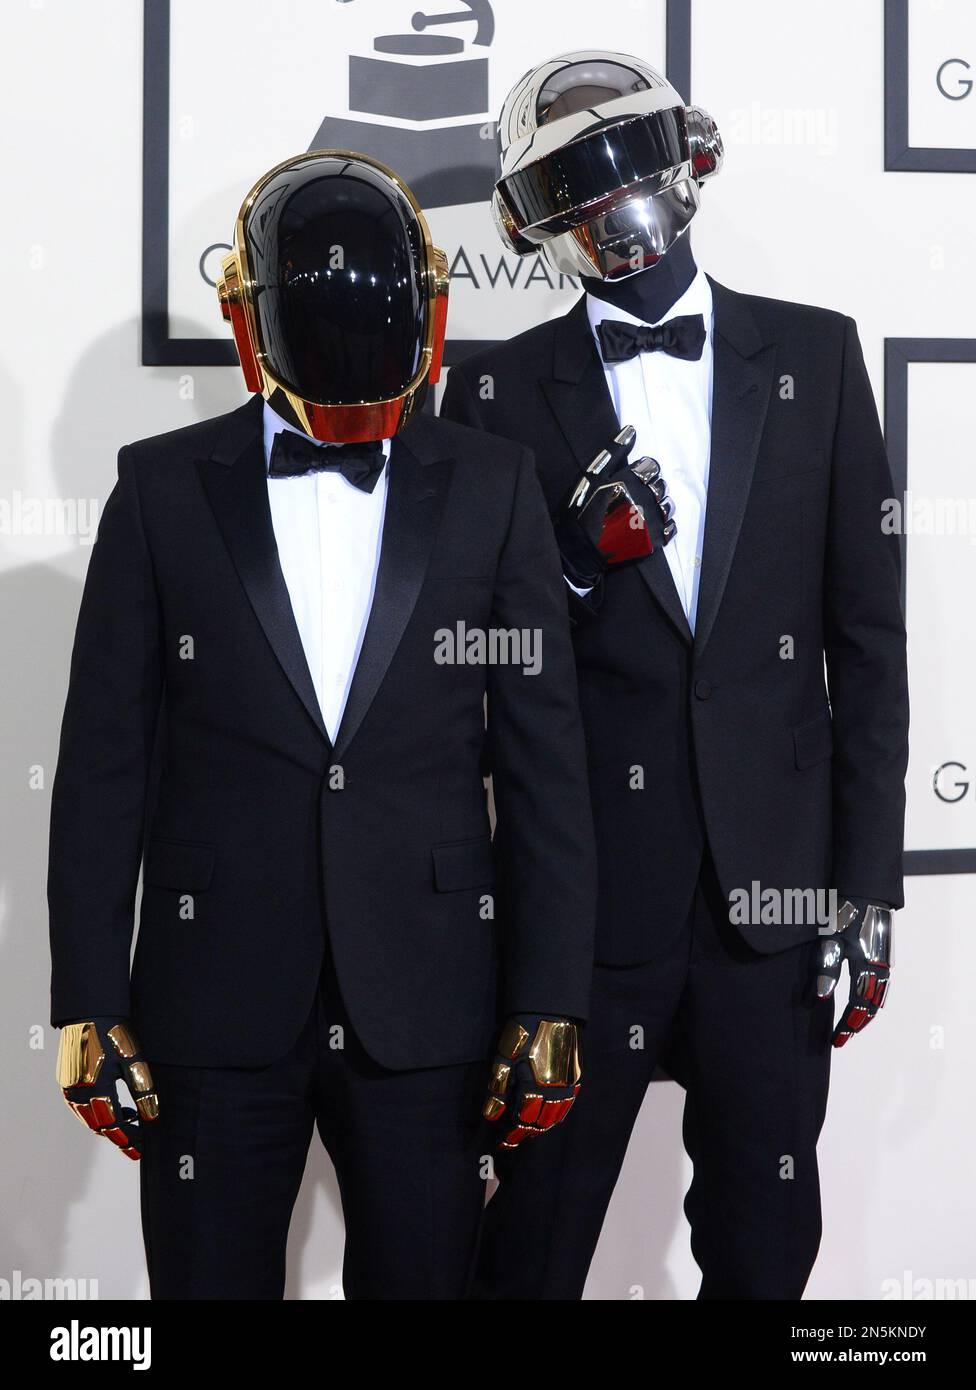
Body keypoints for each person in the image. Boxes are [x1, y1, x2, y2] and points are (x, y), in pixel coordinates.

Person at [49, 149, 596, 1300]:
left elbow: (546, 761)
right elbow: (102, 763)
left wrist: (548, 995)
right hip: (212, 999)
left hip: (431, 998)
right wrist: (88, 1000)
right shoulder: (157, 491)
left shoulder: (494, 487)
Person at [440, 51, 909, 1299]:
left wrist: (865, 888)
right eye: (567, 193)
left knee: (767, 1252)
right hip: (580, 904)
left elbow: (868, 646)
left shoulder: (817, 356)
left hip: (772, 899)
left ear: (682, 159)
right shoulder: (486, 394)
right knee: (528, 1246)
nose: (609, 213)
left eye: (620, 173)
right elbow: (460, 666)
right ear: (533, 223)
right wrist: (580, 573)